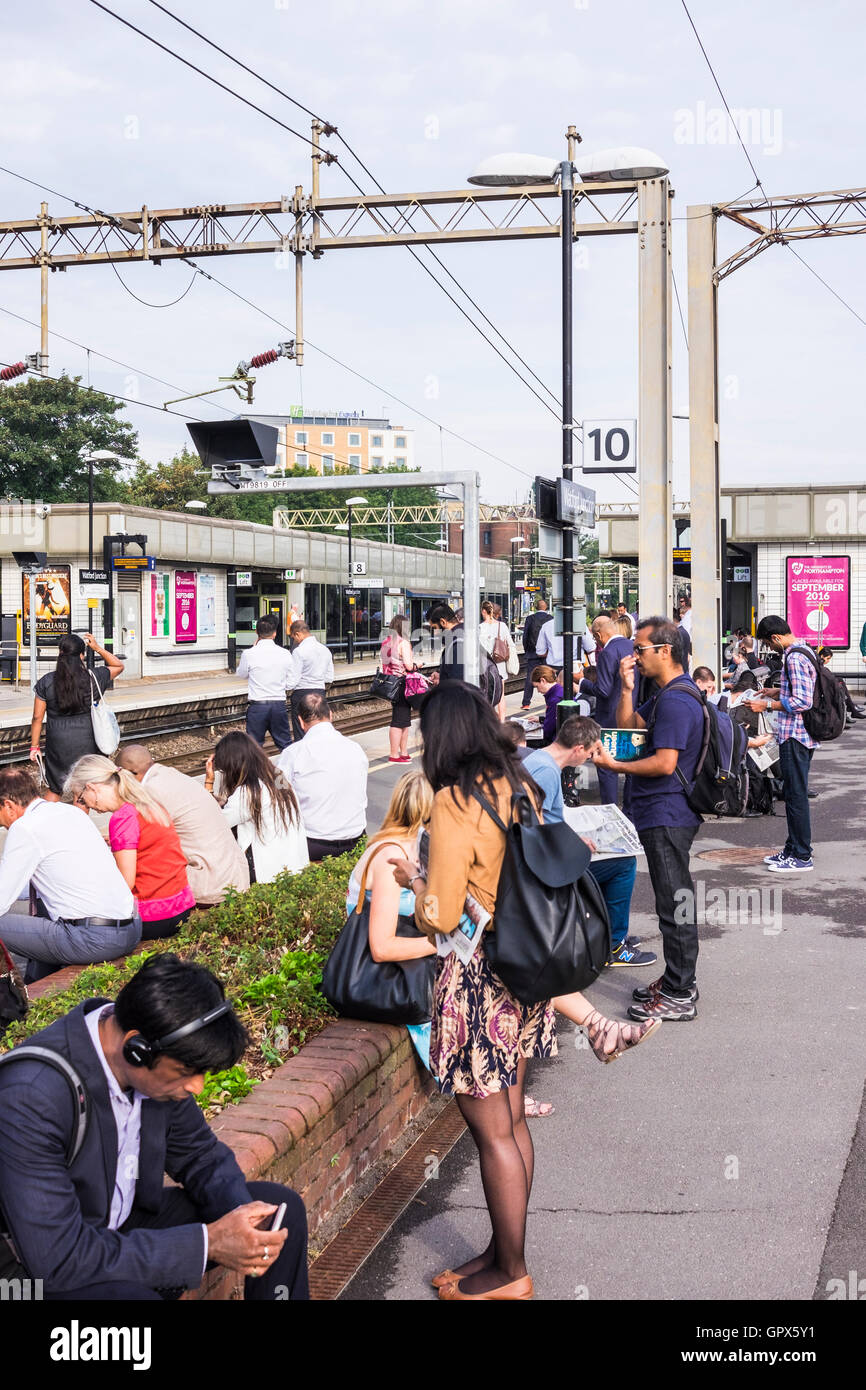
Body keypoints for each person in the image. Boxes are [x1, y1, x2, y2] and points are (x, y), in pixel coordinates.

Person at [0, 953, 309, 1300]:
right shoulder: (31, 1095)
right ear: (136, 1049)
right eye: (187, 1071)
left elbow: (201, 1158)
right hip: (29, 1275)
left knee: (278, 1211)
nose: (197, 1087)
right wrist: (209, 1245)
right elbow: (57, 1258)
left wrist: (245, 1224)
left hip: (109, 1228)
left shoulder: (155, 1065)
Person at [592, 617, 705, 1023]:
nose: (633, 656)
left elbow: (663, 762)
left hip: (668, 811)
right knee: (672, 899)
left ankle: (680, 990)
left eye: (639, 649)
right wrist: (625, 688)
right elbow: (629, 728)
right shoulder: (664, 694)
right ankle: (678, 980)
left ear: (665, 651)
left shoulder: (675, 700)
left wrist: (616, 766)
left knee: (675, 902)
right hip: (663, 811)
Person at [524, 715, 656, 968]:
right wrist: (572, 843)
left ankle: (605, 932)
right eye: (591, 752)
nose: (590, 759)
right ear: (578, 749)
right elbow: (532, 824)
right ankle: (613, 945)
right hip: (545, 864)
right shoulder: (546, 771)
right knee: (624, 864)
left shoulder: (540, 759)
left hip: (549, 853)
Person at [0, 766, 138, 983]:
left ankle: (14, 995)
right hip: (131, 928)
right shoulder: (70, 812)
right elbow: (32, 885)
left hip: (94, 940)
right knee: (43, 903)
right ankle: (35, 981)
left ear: (8, 805)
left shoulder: (24, 828)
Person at [65, 755, 195, 941]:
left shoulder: (121, 818)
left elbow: (125, 883)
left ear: (91, 788)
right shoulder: (146, 803)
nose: (88, 807)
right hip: (180, 906)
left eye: (83, 799)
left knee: (70, 917)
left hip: (153, 917)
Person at [115, 745, 250, 905]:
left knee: (138, 865)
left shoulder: (150, 791)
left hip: (211, 882)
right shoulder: (171, 774)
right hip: (235, 874)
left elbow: (144, 845)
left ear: (130, 774)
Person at [745, 616, 820, 873]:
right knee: (792, 793)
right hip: (800, 735)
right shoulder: (804, 649)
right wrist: (776, 692)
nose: (768, 647)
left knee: (796, 795)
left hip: (795, 736)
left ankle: (801, 855)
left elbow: (802, 701)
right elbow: (801, 690)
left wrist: (766, 704)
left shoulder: (794, 657)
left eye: (767, 642)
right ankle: (792, 848)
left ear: (775, 638)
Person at [29, 632, 124, 800]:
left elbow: (37, 717)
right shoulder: (94, 678)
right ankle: (78, 823)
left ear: (60, 653)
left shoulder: (46, 681)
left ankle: (46, 824)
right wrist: (97, 648)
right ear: (82, 655)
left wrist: (34, 746)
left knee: (54, 787)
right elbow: (118, 666)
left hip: (58, 743)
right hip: (86, 741)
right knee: (81, 789)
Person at [206, 732, 308, 883]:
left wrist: (209, 783)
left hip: (268, 875)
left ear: (233, 766)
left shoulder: (247, 792)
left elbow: (215, 824)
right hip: (295, 865)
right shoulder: (278, 777)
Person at [277, 693, 367, 862]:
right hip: (356, 839)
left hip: (314, 843)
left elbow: (277, 792)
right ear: (331, 715)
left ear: (300, 721)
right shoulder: (356, 749)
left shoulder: (292, 754)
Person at [577, 614, 636, 804]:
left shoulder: (607, 652)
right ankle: (630, 811)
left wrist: (582, 682)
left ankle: (610, 810)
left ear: (598, 635)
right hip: (634, 716)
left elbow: (603, 690)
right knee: (631, 768)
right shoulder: (632, 647)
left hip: (610, 719)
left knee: (607, 768)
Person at [236, 615, 294, 752]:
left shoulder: (249, 653)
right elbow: (291, 682)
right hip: (278, 705)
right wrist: (279, 685)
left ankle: (254, 773)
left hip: (257, 707)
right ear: (275, 633)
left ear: (257, 632)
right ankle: (292, 772)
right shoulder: (285, 654)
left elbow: (241, 674)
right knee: (285, 745)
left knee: (254, 748)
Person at [427, 604, 502, 706]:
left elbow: (458, 686)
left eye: (434, 628)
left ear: (443, 622)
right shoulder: (464, 635)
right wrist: (442, 676)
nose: (435, 633)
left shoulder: (458, 644)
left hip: (462, 712)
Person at [380, 613, 421, 763]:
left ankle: (403, 752)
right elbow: (409, 666)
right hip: (402, 683)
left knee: (404, 719)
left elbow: (386, 664)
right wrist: (418, 665)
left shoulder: (386, 642)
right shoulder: (403, 643)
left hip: (391, 684)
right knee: (399, 720)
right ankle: (394, 755)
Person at [286, 620, 334, 743]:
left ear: (298, 634)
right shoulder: (325, 649)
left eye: (293, 637)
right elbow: (329, 677)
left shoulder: (299, 651)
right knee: (319, 728)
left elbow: (293, 680)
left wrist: (281, 686)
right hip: (319, 693)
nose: (294, 641)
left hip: (302, 694)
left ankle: (303, 759)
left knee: (301, 731)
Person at [480, 600, 514, 721]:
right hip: (500, 664)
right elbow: (510, 643)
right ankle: (502, 722)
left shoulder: (480, 627)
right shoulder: (502, 626)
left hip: (485, 664)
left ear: (484, 611)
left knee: (487, 693)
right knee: (501, 695)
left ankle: (490, 721)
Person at [521, 599, 553, 708]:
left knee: (530, 678)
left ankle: (526, 703)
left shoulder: (530, 618)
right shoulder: (550, 619)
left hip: (533, 654)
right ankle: (549, 702)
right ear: (546, 607)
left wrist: (527, 651)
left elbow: (525, 636)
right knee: (548, 678)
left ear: (535, 607)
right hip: (547, 654)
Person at [818, 646, 866, 720]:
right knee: (840, 685)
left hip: (825, 685)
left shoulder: (819, 664)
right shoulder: (818, 665)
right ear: (822, 656)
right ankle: (852, 709)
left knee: (840, 682)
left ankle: (851, 709)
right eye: (827, 658)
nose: (828, 661)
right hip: (823, 688)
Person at [530, 664, 563, 745]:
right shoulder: (559, 690)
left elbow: (548, 731)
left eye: (537, 686)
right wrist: (541, 719)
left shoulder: (554, 700)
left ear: (543, 680)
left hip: (556, 741)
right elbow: (555, 720)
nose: (538, 691)